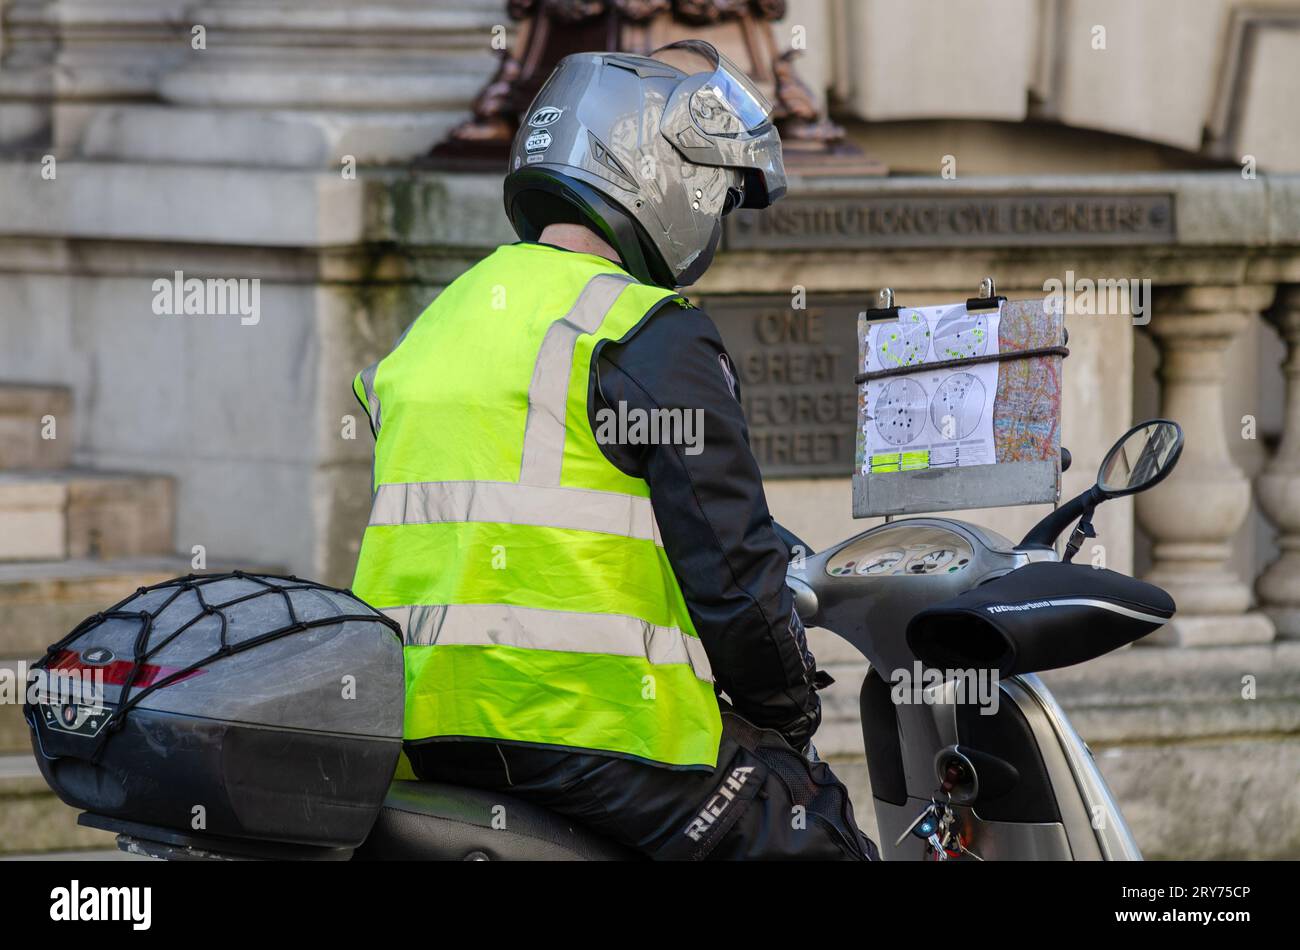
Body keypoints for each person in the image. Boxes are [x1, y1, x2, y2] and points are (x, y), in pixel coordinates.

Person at [351, 40, 877, 860]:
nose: (710, 216)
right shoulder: (641, 333)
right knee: (813, 825)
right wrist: (788, 712)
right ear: (651, 167)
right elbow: (731, 574)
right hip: (584, 731)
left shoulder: (443, 321)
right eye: (710, 189)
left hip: (421, 730)